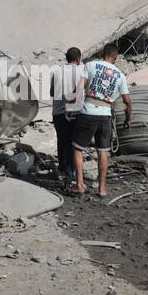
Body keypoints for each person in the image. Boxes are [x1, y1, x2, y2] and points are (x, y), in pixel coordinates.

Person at [71, 44, 132, 198]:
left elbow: (79, 89)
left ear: (102, 53)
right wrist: (128, 119)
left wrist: (70, 103)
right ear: (115, 57)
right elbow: (127, 101)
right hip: (106, 115)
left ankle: (79, 185)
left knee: (78, 148)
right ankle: (102, 189)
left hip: (88, 111)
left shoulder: (90, 65)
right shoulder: (120, 75)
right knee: (103, 151)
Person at [49, 47, 86, 189]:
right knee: (76, 145)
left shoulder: (57, 71)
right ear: (78, 59)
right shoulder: (82, 71)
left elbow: (52, 92)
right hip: (77, 112)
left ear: (66, 59)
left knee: (63, 142)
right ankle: (77, 175)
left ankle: (66, 173)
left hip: (59, 113)